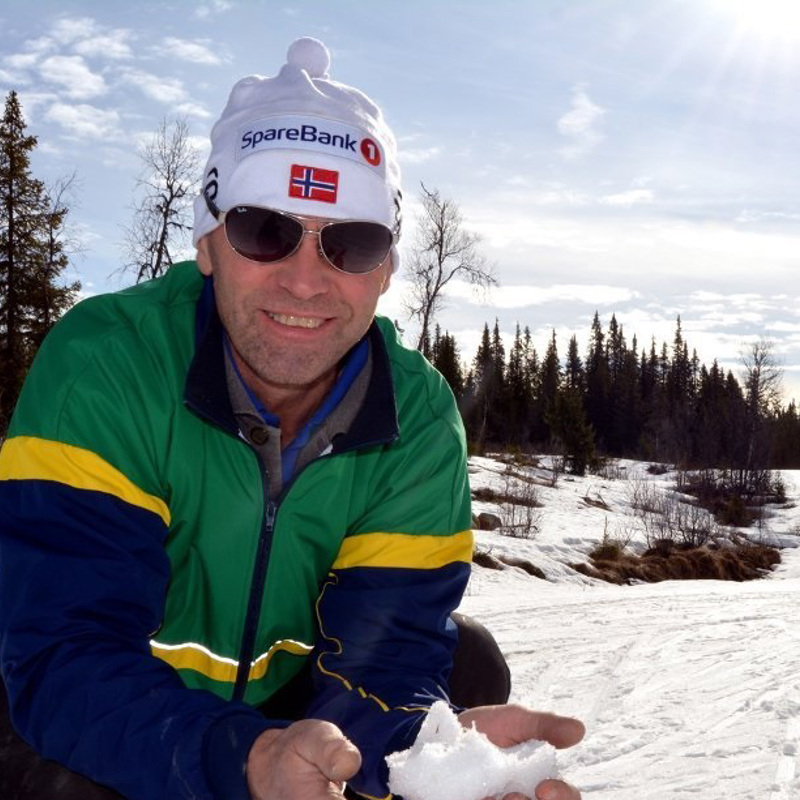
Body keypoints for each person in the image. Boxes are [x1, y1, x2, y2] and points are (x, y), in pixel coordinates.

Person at [0, 37, 584, 800]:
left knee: (466, 662)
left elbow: (388, 659)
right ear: (209, 243)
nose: (306, 280)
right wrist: (244, 759)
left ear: (384, 270)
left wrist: (413, 766)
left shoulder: (416, 416)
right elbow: (65, 649)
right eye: (264, 230)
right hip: (106, 694)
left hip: (281, 709)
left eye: (351, 242)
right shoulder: (108, 365)